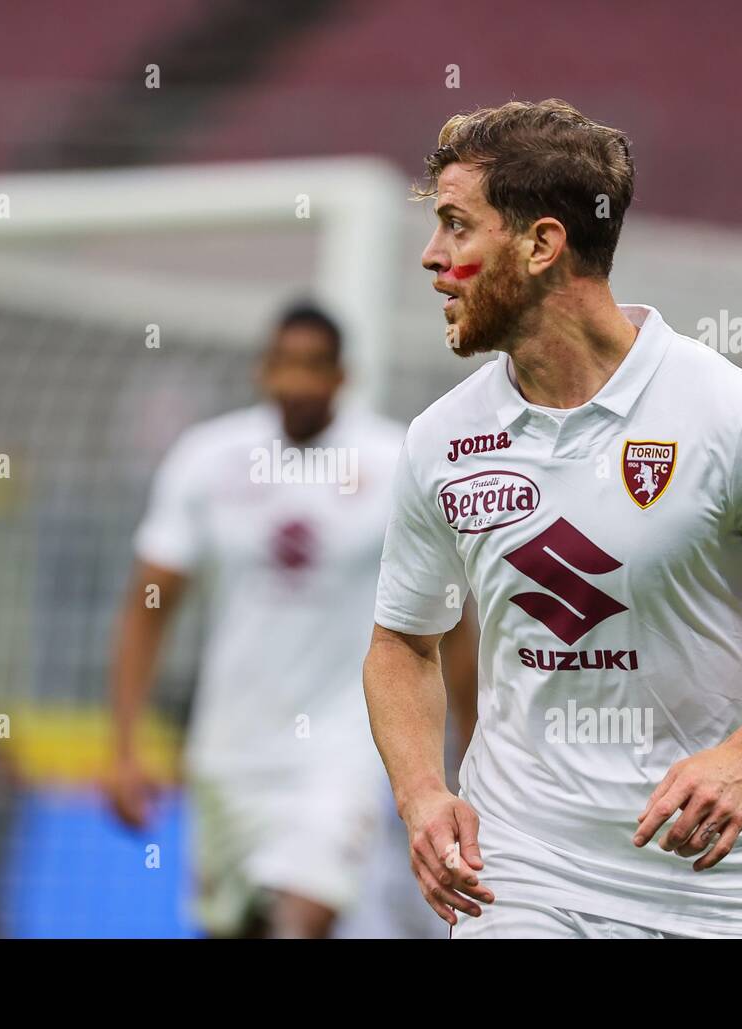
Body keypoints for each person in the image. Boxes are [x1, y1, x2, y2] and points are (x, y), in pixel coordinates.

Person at [363, 99, 742, 939]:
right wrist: (422, 792)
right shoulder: (442, 441)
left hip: (712, 881)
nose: (434, 259)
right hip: (523, 867)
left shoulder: (739, 418)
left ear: (543, 244)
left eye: (455, 226)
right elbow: (403, 640)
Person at [108, 303, 476, 938]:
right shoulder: (208, 460)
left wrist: (471, 755)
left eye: (313, 368)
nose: (296, 383)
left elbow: (454, 622)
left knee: (301, 919)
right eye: (284, 366)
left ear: (342, 376)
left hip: (342, 749)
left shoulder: (394, 462)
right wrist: (124, 748)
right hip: (227, 751)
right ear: (262, 371)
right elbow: (149, 605)